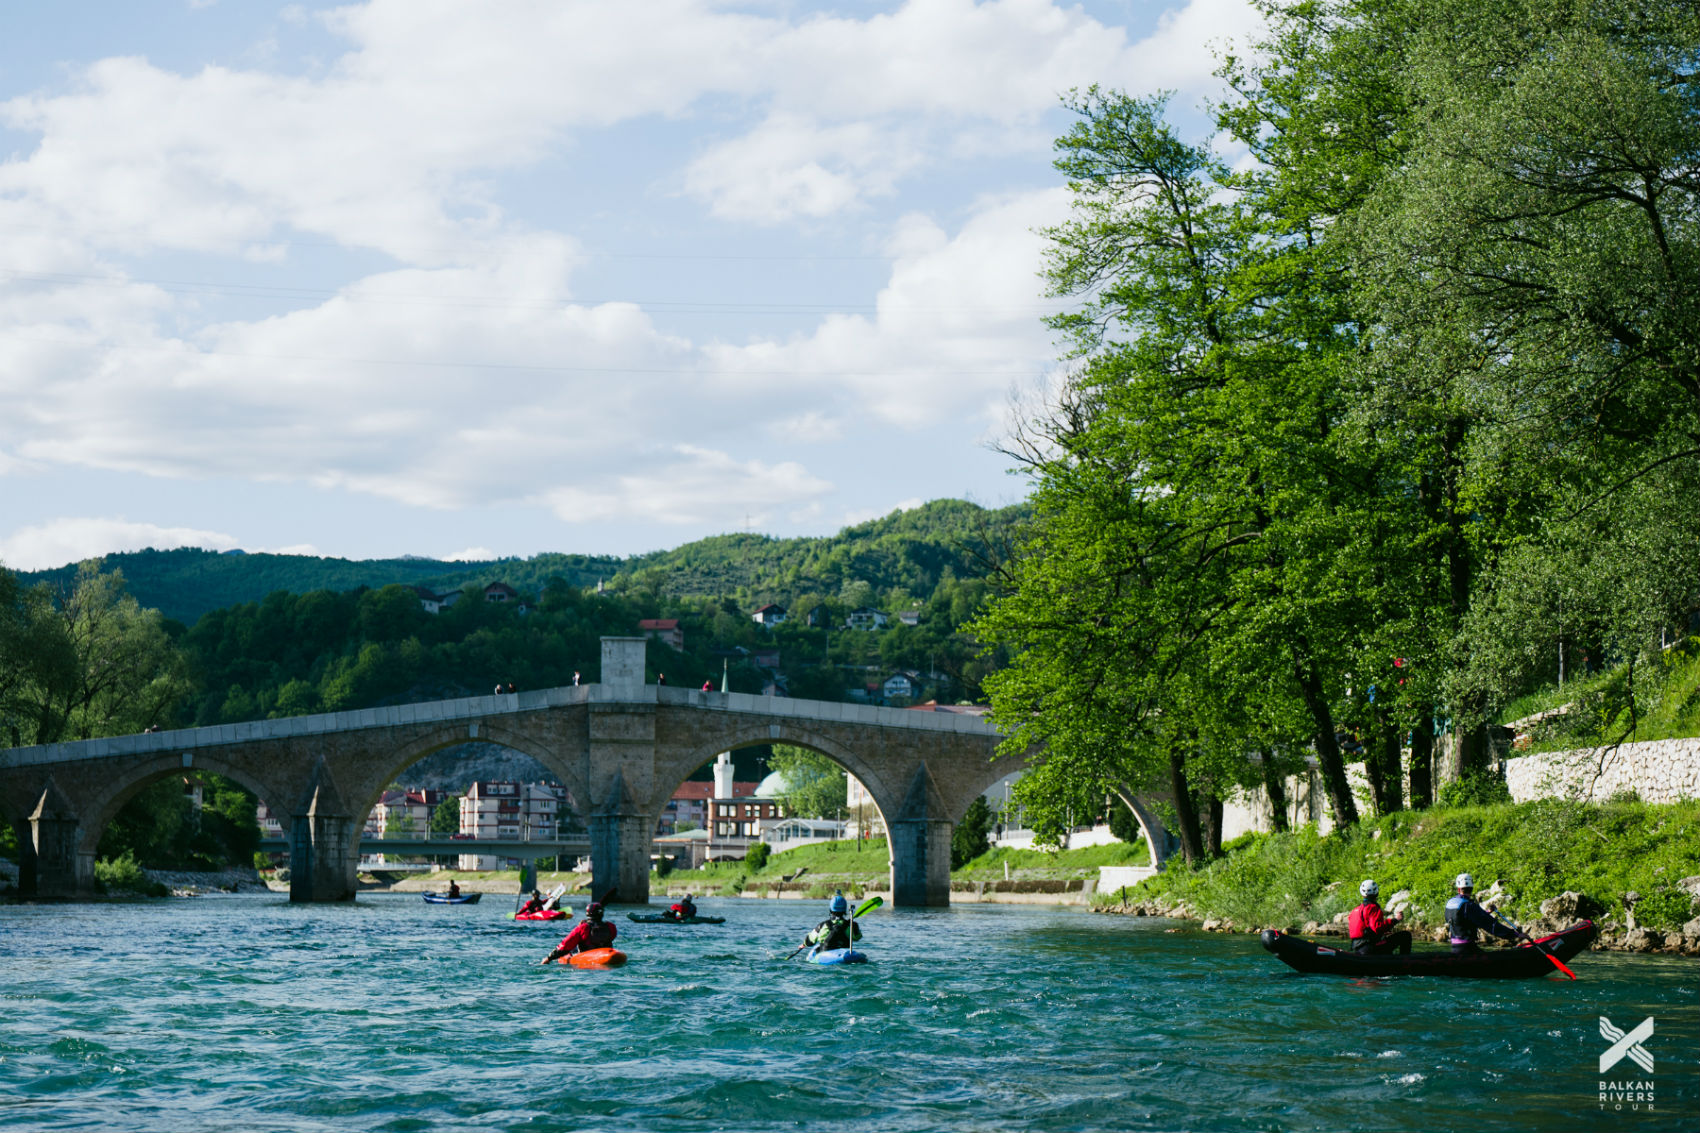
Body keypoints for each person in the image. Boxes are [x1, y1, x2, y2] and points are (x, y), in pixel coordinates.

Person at [1445, 873, 1519, 955]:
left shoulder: (1450, 903)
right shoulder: (1469, 905)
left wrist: (1487, 912)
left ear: (1459, 889)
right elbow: (1491, 925)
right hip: (1468, 949)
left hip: (1455, 949)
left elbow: (1464, 920)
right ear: (1471, 888)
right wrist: (1515, 934)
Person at [1347, 879, 1411, 955]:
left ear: (1362, 893)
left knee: (1384, 940)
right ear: (1376, 892)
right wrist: (1395, 920)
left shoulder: (1355, 910)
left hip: (1358, 949)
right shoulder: (1373, 908)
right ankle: (1404, 961)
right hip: (1370, 949)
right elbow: (1377, 928)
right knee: (1405, 935)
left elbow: (1366, 929)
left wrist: (1382, 933)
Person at [540, 902, 617, 964]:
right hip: (607, 954)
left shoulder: (583, 927)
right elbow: (613, 936)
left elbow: (565, 945)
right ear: (602, 914)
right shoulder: (611, 926)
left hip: (586, 956)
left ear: (588, 913)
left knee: (572, 947)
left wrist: (549, 958)